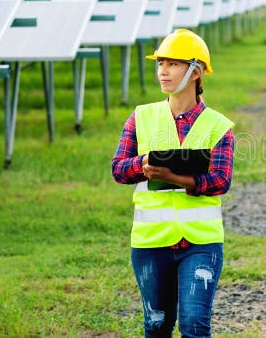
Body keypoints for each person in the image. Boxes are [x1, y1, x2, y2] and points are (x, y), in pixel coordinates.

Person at [111, 29, 234, 338]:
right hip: (151, 242)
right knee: (157, 325)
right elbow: (118, 169)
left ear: (195, 72)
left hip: (201, 242)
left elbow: (221, 180)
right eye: (160, 63)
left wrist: (176, 179)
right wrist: (143, 166)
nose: (163, 71)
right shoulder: (140, 117)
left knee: (194, 324)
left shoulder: (218, 126)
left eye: (173, 64)